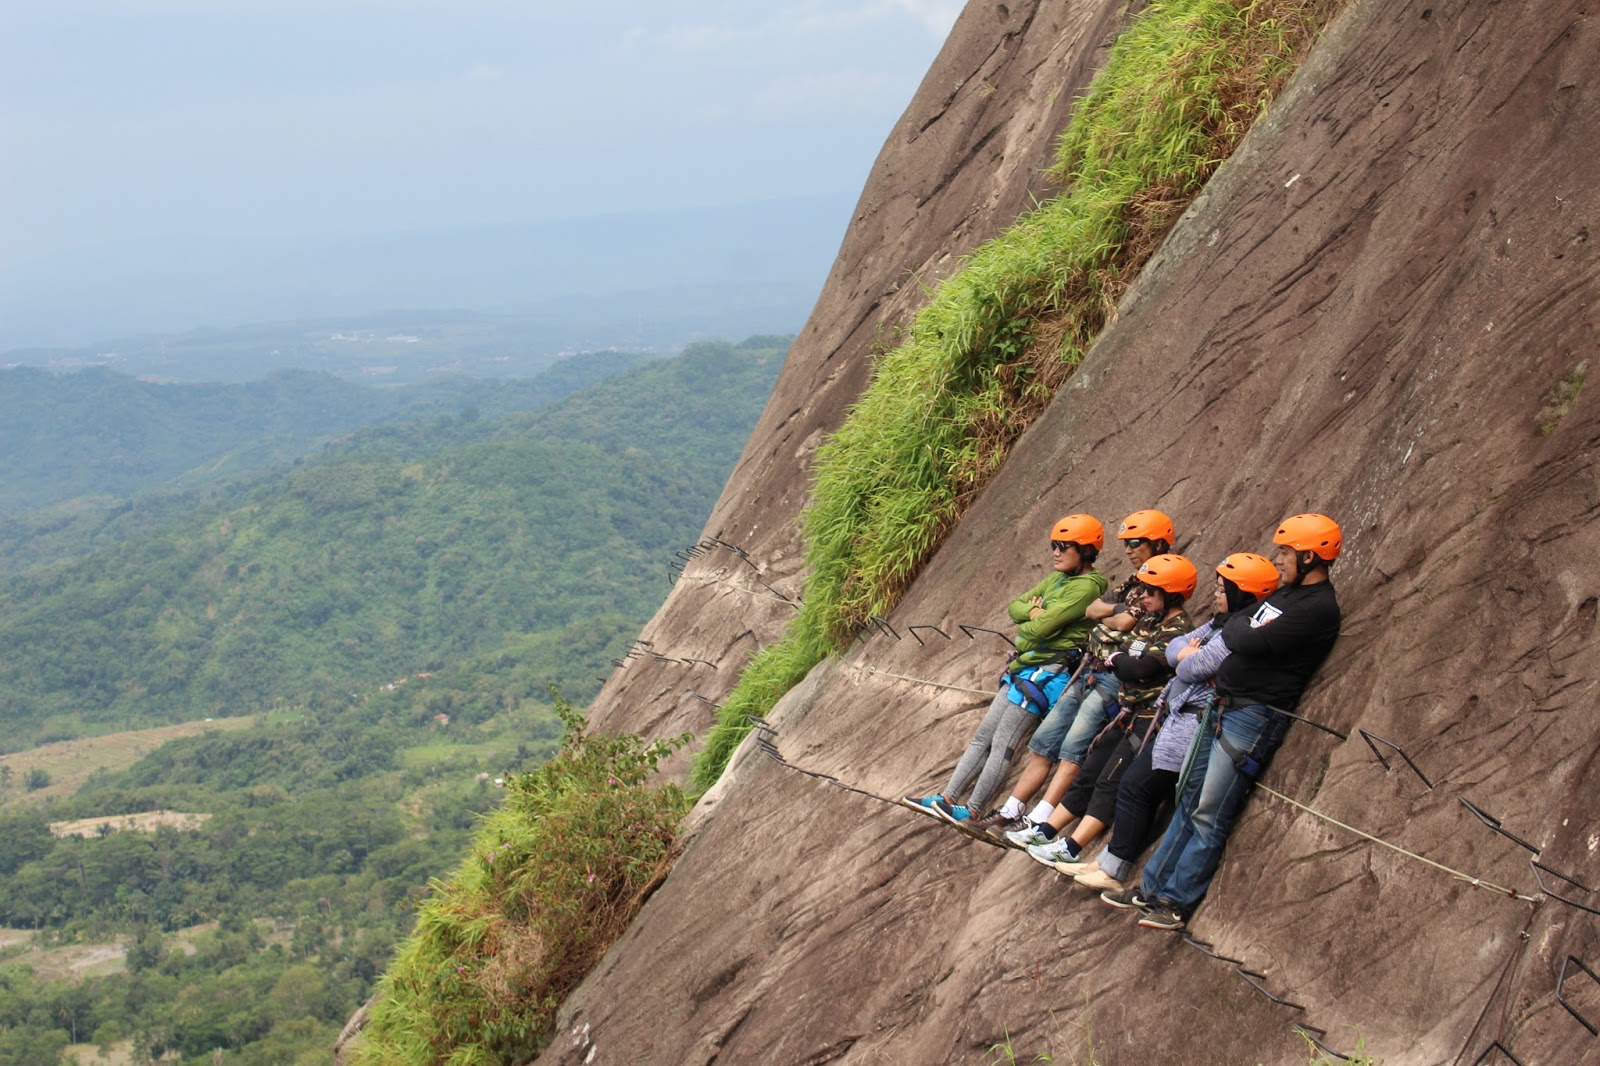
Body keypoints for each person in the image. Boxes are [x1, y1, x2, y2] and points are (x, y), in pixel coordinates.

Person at [1100, 514, 1343, 931]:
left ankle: (1175, 901)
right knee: (1188, 798)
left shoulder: (1318, 607)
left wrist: (1238, 632)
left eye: (1285, 552)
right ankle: (1152, 887)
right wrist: (1238, 632)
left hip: (1252, 715)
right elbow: (1238, 629)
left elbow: (1243, 636)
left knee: (1210, 808)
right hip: (1223, 707)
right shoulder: (1284, 597)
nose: (1279, 559)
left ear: (1309, 555)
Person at [1062, 553, 1279, 893]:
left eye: (1223, 590)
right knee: (1133, 784)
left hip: (1192, 722)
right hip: (1177, 717)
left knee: (1137, 786)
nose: (1216, 595)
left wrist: (1186, 657)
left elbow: (1189, 665)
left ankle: (1115, 867)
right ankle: (1109, 861)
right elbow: (1181, 648)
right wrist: (1185, 654)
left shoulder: (1239, 630)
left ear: (1242, 593)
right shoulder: (1221, 623)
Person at [983, 510, 1178, 843]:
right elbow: (1094, 611)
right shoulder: (1132, 582)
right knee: (1046, 740)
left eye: (1134, 543)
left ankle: (1040, 821)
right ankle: (1011, 810)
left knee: (1073, 746)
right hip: (1089, 669)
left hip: (1113, 678)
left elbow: (1125, 622)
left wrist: (1112, 614)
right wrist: (1110, 613)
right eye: (1125, 544)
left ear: (1158, 543)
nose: (1128, 550)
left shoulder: (1163, 582)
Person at [903, 515, 1108, 825]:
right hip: (1025, 667)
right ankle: (947, 798)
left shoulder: (1086, 588)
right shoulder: (1057, 579)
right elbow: (1015, 607)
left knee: (1003, 744)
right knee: (982, 735)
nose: (1055, 552)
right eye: (1053, 545)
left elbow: (1039, 630)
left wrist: (1032, 622)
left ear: (1086, 551)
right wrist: (1033, 613)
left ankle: (972, 809)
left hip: (1045, 673)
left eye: (1063, 547)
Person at [1012, 554, 1197, 867]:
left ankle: (1072, 847)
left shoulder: (1178, 629)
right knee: (1091, 771)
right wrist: (1122, 657)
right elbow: (1121, 647)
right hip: (1126, 709)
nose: (1145, 596)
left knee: (1112, 781)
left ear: (1172, 593)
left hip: (1148, 716)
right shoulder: (1152, 620)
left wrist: (1119, 659)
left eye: (1152, 591)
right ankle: (1046, 829)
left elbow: (1137, 665)